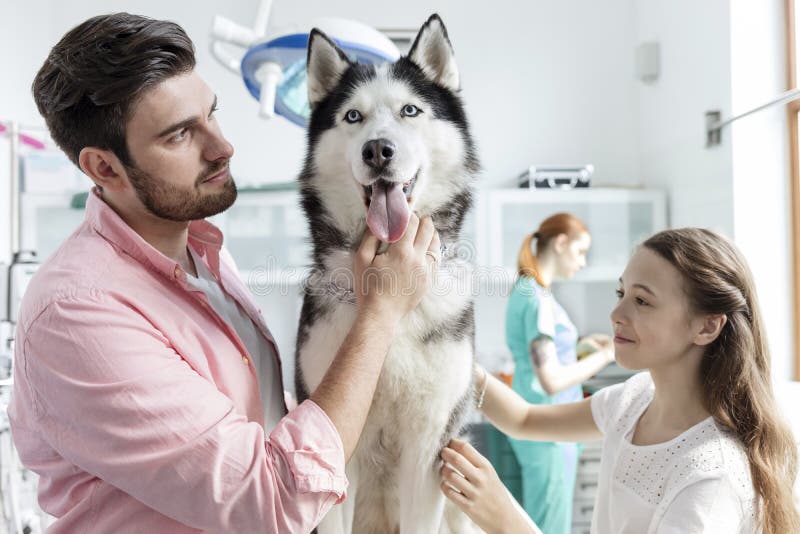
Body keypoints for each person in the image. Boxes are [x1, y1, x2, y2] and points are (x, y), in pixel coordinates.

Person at [7, 13, 441, 533]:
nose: (222, 147)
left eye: (211, 113)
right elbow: (273, 501)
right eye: (179, 135)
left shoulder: (206, 257)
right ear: (105, 169)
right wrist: (381, 314)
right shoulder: (78, 312)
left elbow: (254, 428)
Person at [441, 228, 800, 534]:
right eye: (621, 293)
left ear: (706, 326)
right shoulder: (635, 399)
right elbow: (524, 420)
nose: (616, 314)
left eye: (642, 301)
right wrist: (450, 361)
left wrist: (506, 519)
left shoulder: (710, 478)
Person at [502, 212, 614, 533]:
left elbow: (542, 356)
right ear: (561, 243)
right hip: (549, 429)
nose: (582, 261)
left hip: (543, 427)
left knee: (541, 521)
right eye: (580, 251)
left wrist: (579, 347)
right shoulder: (537, 298)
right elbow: (550, 379)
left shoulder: (528, 289)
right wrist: (605, 355)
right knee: (548, 527)